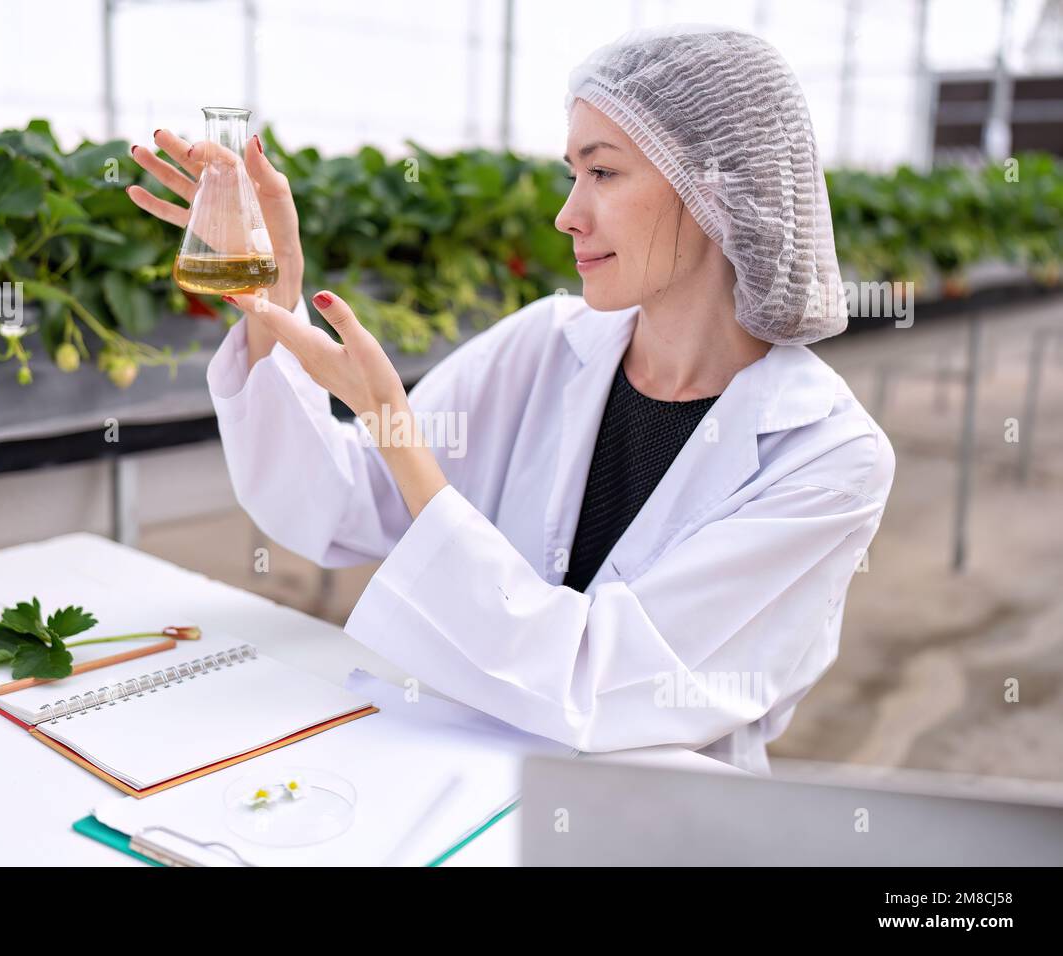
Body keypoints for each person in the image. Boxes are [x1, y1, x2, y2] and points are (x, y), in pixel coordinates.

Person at [126, 24, 895, 775]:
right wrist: (275, 294)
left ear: (713, 187)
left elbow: (598, 684)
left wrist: (395, 427)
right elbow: (340, 505)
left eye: (603, 172)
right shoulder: (545, 344)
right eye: (572, 173)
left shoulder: (827, 458)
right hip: (458, 775)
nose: (567, 214)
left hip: (653, 822)